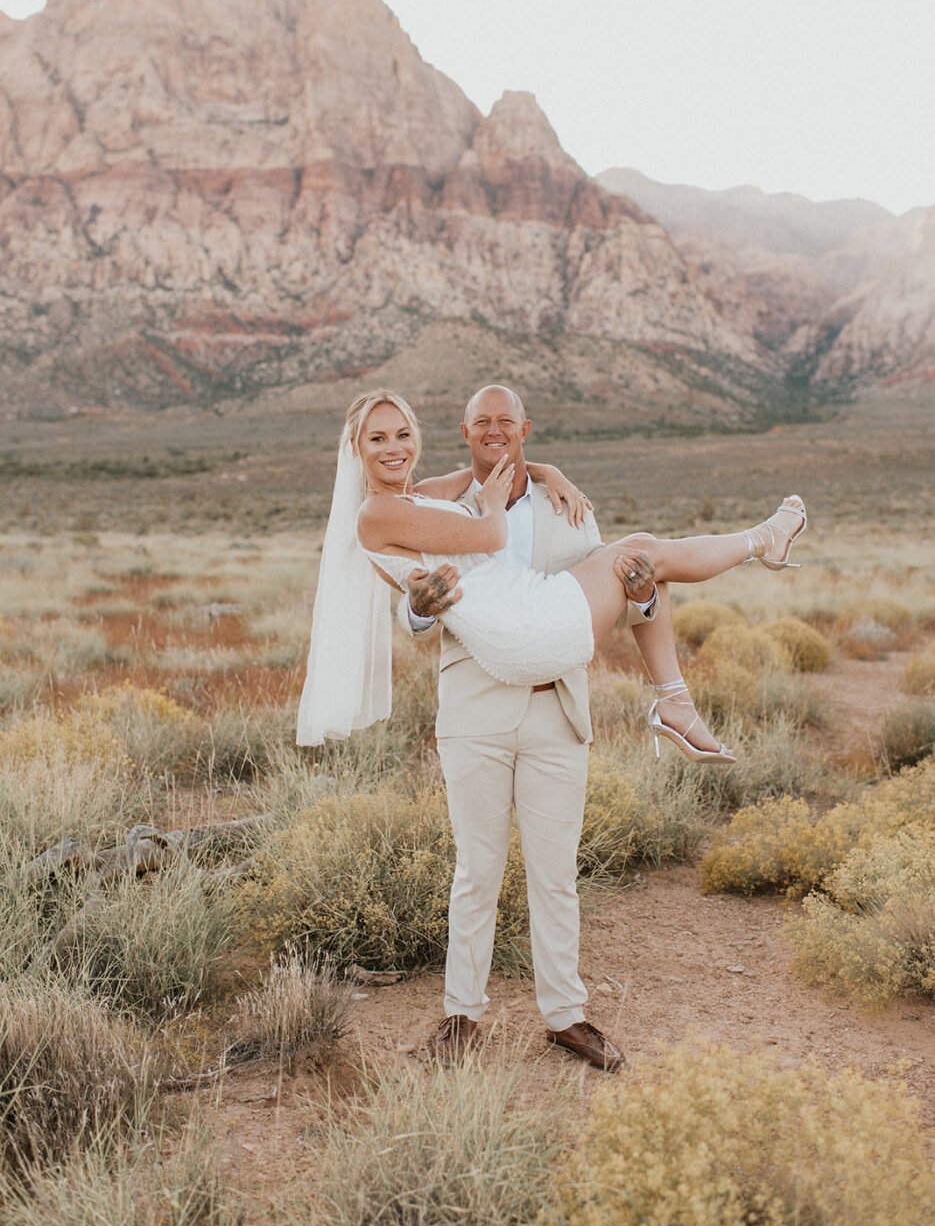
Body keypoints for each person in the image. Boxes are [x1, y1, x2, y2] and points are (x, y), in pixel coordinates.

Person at [297, 387, 806, 1071]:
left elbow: (621, 589)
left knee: (553, 874)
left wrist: (545, 473)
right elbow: (472, 547)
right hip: (487, 686)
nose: (392, 449)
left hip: (552, 698)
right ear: (357, 450)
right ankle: (460, 1017)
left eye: (400, 436)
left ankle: (565, 1017)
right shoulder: (386, 511)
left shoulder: (482, 500)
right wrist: (419, 604)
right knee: (475, 870)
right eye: (376, 440)